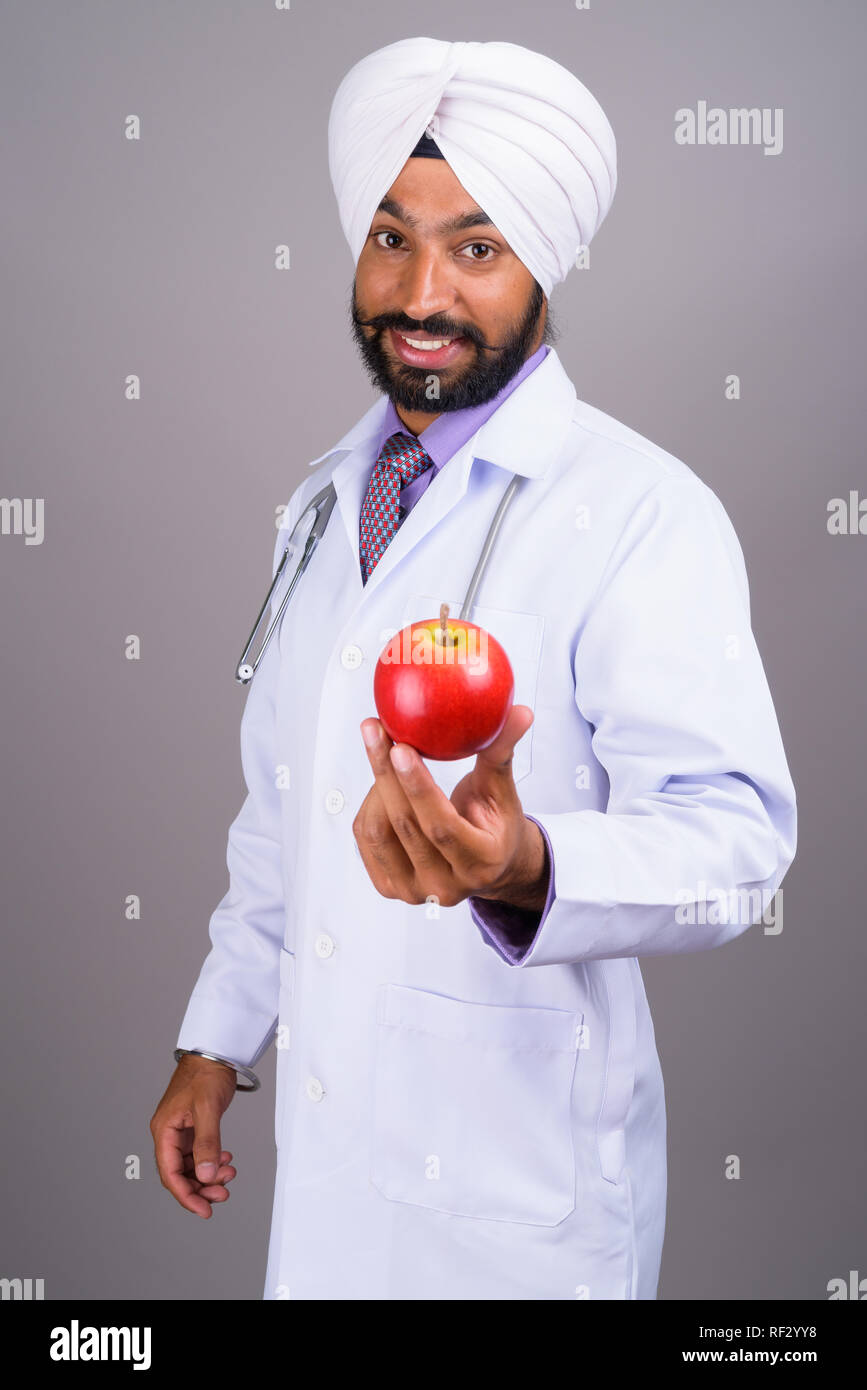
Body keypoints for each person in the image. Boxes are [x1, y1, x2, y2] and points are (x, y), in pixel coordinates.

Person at [150, 37, 797, 1300]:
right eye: (392, 238)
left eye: (478, 247)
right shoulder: (327, 506)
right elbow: (285, 810)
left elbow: (738, 842)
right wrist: (217, 1039)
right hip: (335, 1184)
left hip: (520, 1204)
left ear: (543, 261)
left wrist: (533, 864)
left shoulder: (640, 510)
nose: (423, 293)